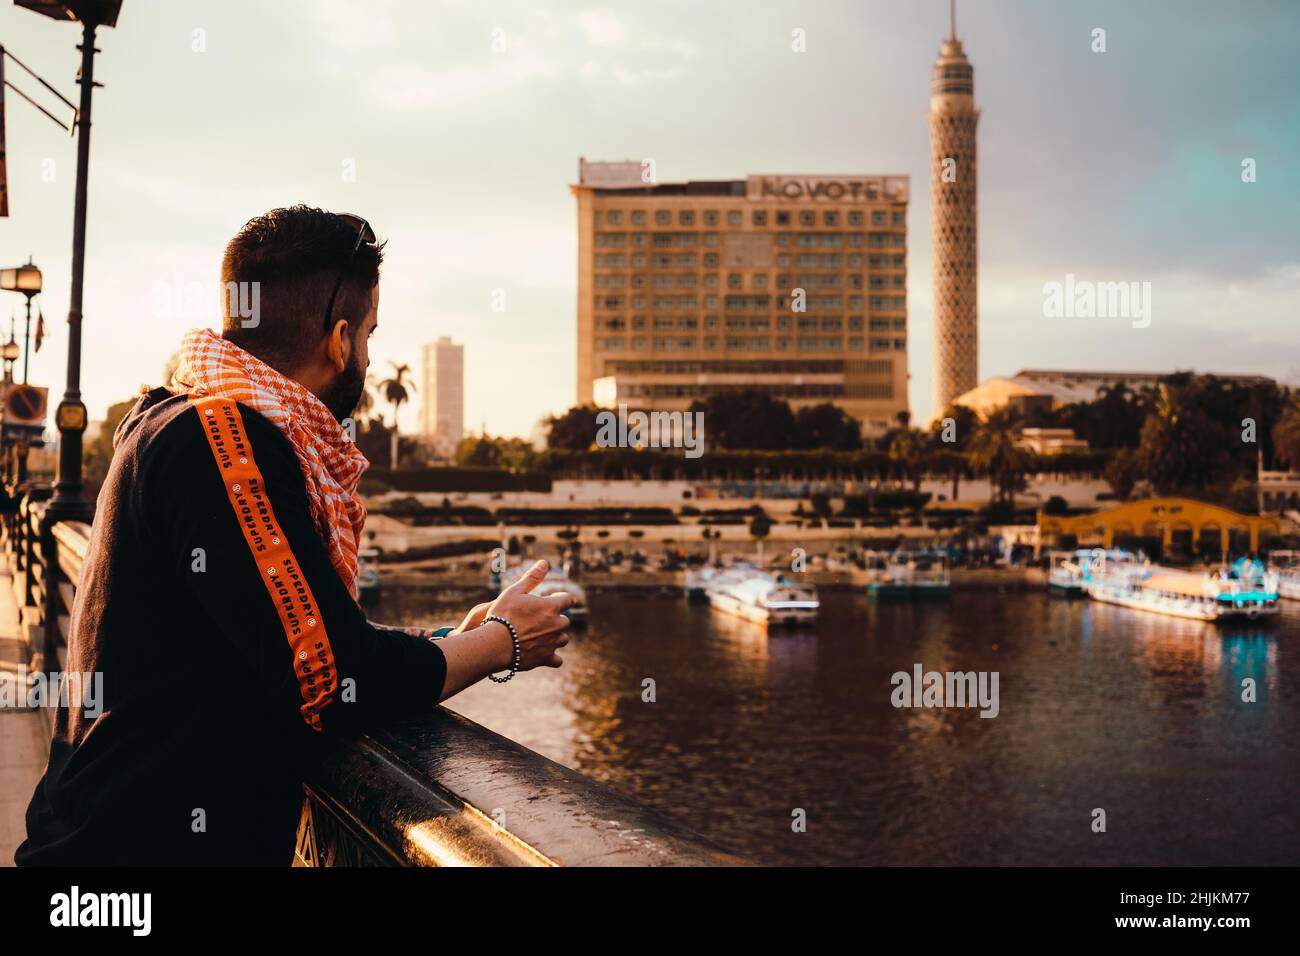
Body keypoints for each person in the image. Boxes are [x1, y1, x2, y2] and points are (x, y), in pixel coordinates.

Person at [16, 205, 571, 865]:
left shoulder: (175, 415)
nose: (366, 354)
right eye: (368, 333)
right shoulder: (227, 441)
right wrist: (503, 643)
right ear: (339, 340)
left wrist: (461, 638)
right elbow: (333, 680)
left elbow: (293, 635)